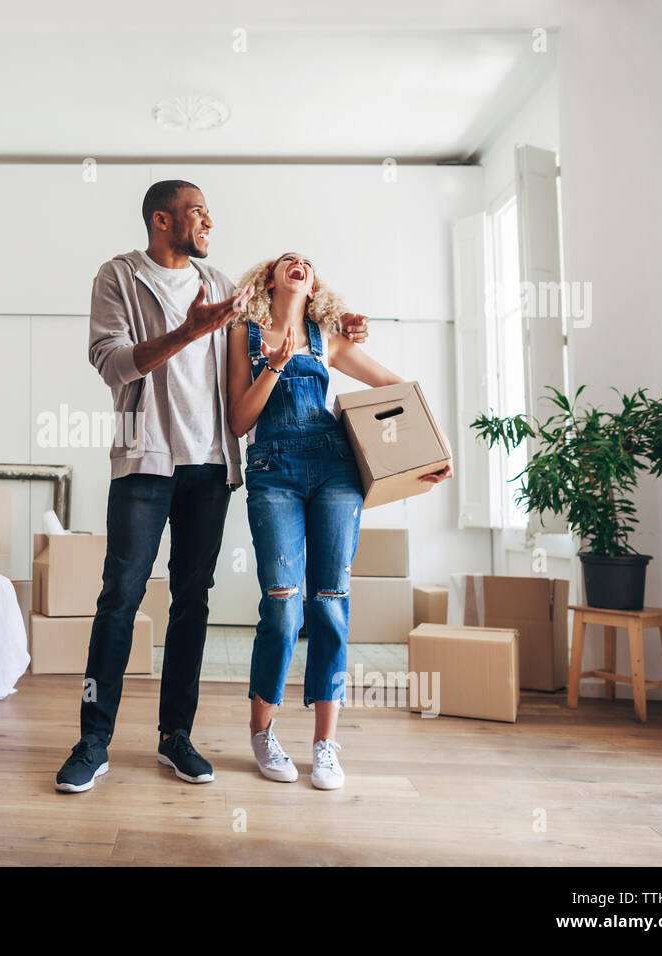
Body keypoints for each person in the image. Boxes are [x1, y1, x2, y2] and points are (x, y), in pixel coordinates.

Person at [54, 186, 369, 792]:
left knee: (191, 600)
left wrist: (343, 325)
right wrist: (187, 331)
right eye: (197, 211)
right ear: (162, 219)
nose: (209, 220)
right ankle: (93, 742)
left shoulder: (224, 282)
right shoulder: (118, 276)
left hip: (209, 467)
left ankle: (176, 736)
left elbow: (291, 334)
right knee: (119, 596)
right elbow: (111, 364)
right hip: (144, 462)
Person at [224, 253, 452, 790]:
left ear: (314, 282)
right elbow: (237, 421)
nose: (298, 264)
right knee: (281, 605)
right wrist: (276, 364)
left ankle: (326, 745)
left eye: (306, 261)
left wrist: (429, 453)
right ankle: (262, 732)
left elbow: (396, 393)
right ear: (269, 278)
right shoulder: (244, 335)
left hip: (335, 471)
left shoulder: (330, 339)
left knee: (329, 603)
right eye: (287, 260)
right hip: (272, 471)